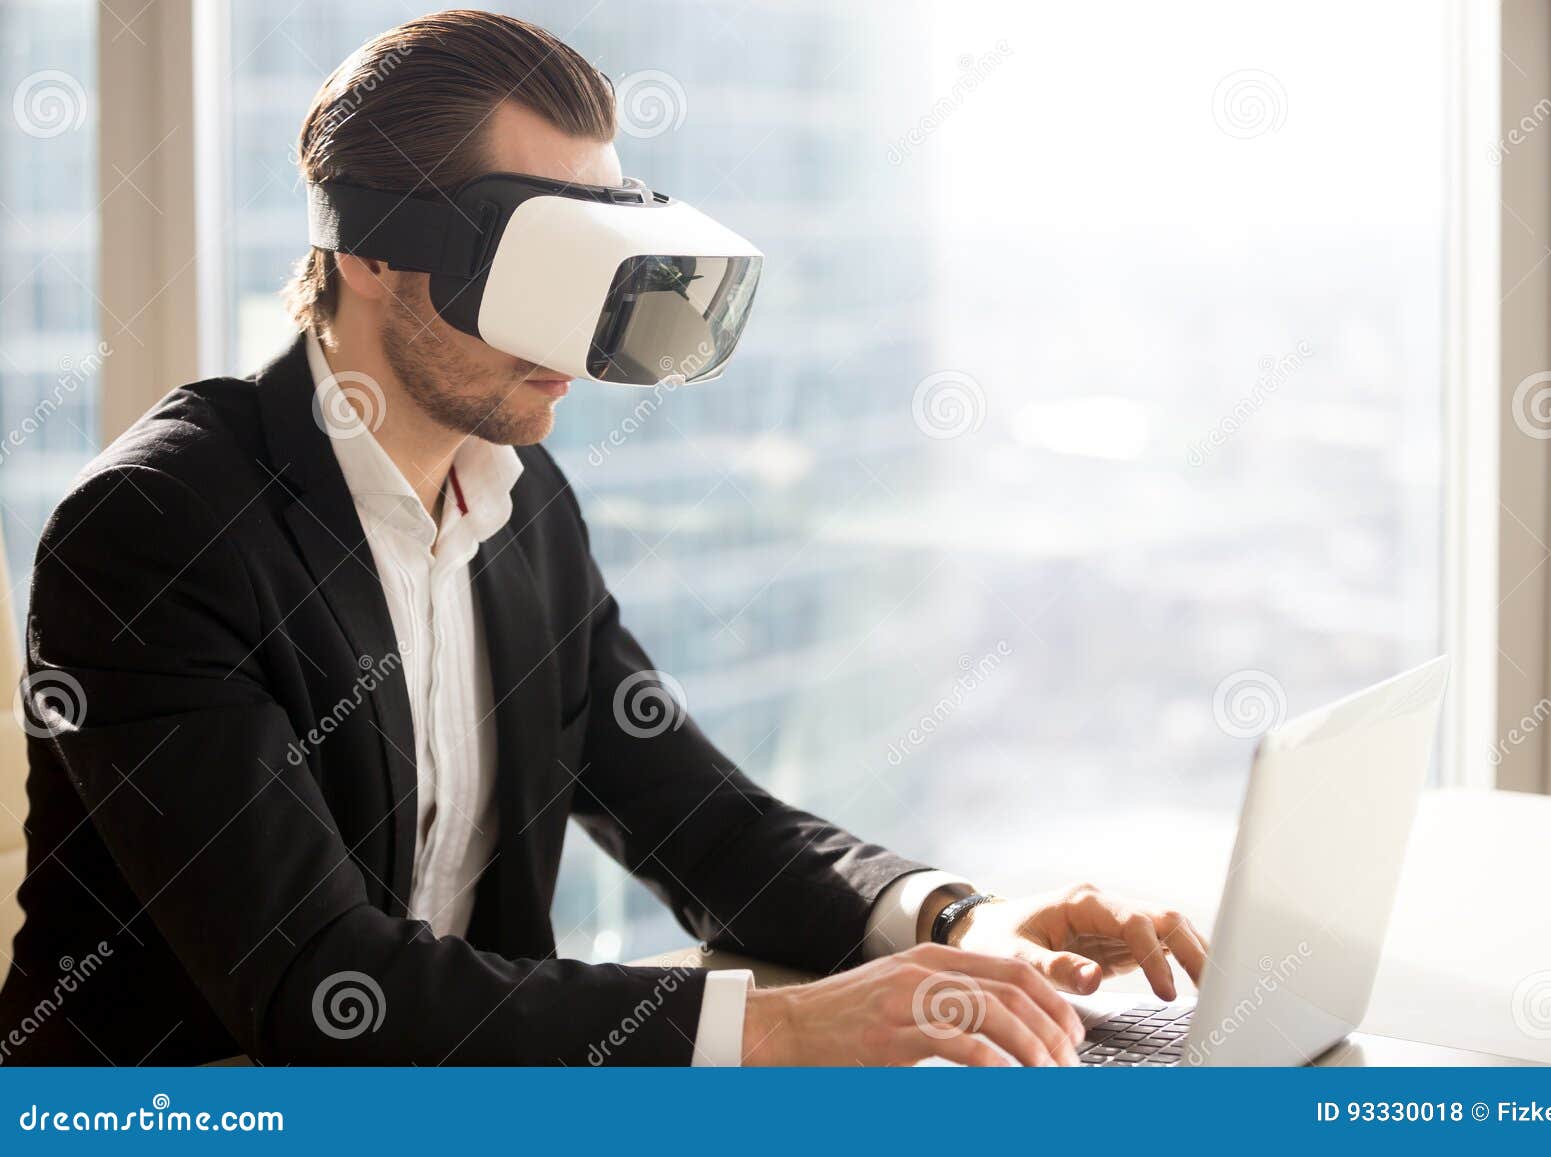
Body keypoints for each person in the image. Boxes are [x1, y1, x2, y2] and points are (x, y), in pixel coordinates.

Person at [0, 10, 1205, 1067]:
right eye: (534, 257)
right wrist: (788, 1029)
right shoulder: (161, 528)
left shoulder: (521, 502)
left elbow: (698, 816)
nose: (577, 335)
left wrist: (957, 921)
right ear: (370, 251)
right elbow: (318, 989)